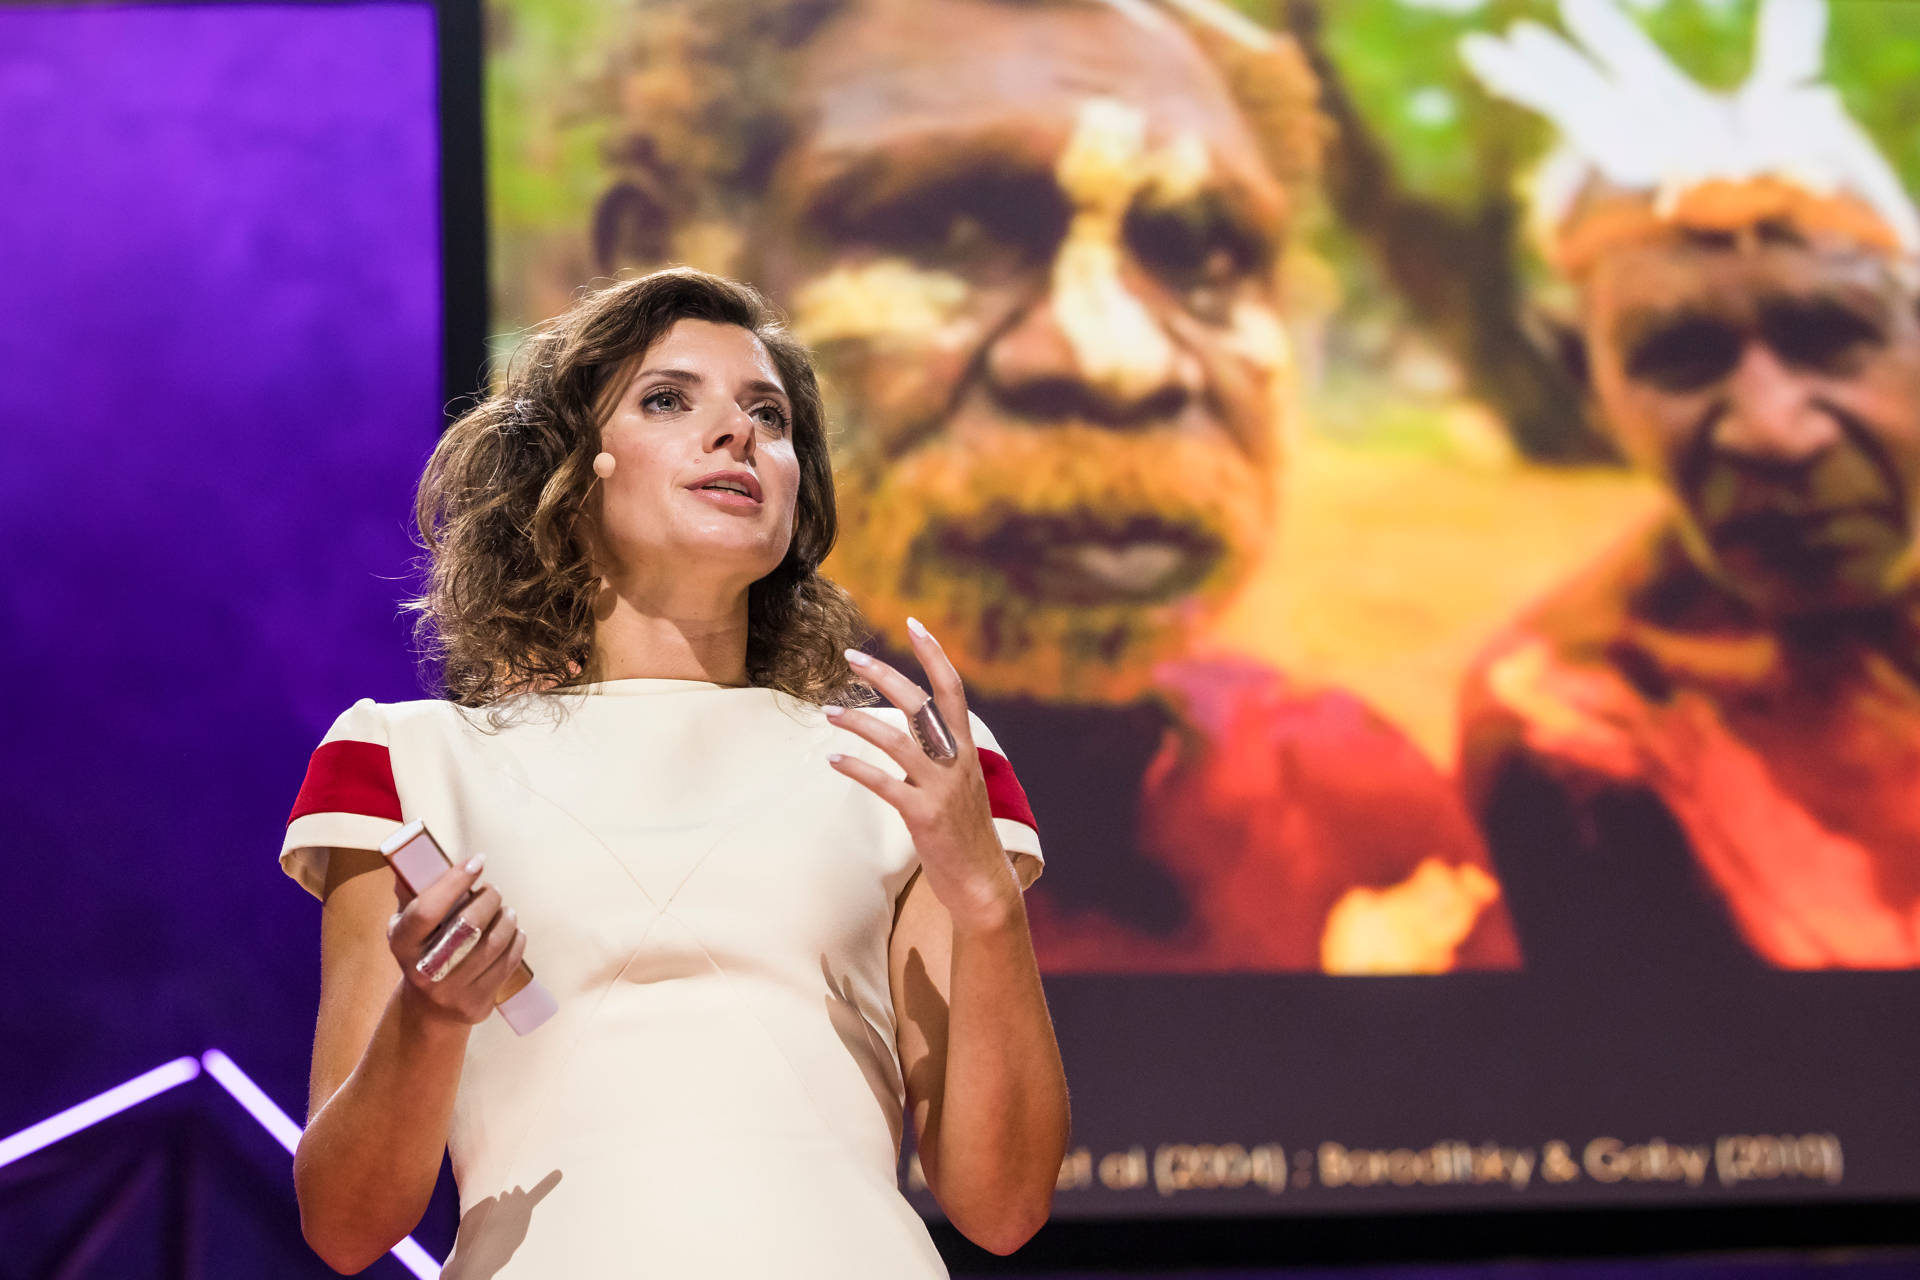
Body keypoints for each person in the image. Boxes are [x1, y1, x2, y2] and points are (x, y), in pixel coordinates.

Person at [580, 0, 1518, 973]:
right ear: (655, 280)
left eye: (1202, 248)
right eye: (948, 230)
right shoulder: (548, 827)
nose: (1116, 360)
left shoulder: (1344, 809)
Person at [280, 269, 1068, 1275]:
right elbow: (344, 1223)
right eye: (669, 398)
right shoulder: (409, 760)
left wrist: (988, 903)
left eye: (769, 415)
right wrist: (432, 1013)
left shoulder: (909, 765)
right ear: (577, 467)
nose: (738, 434)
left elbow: (1003, 1205)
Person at [1458, 0, 1920, 971]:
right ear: (1592, 389)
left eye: (1832, 336)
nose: (1773, 428)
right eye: (1683, 356)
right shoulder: (1577, 716)